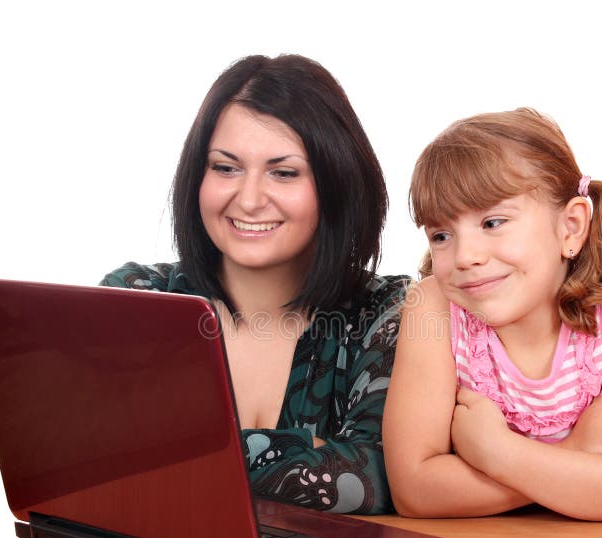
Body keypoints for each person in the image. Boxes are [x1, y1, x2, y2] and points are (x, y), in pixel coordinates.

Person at [100, 54, 409, 514]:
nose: (248, 200)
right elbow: (90, 459)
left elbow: (377, 476)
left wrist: (178, 456)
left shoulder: (385, 312)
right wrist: (311, 449)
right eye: (225, 168)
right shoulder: (138, 298)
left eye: (284, 172)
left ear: (338, 182)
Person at [383, 108, 602, 521]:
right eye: (442, 235)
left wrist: (498, 452)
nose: (465, 256)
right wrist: (575, 449)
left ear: (570, 227)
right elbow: (415, 491)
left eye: (492, 222)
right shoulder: (434, 307)